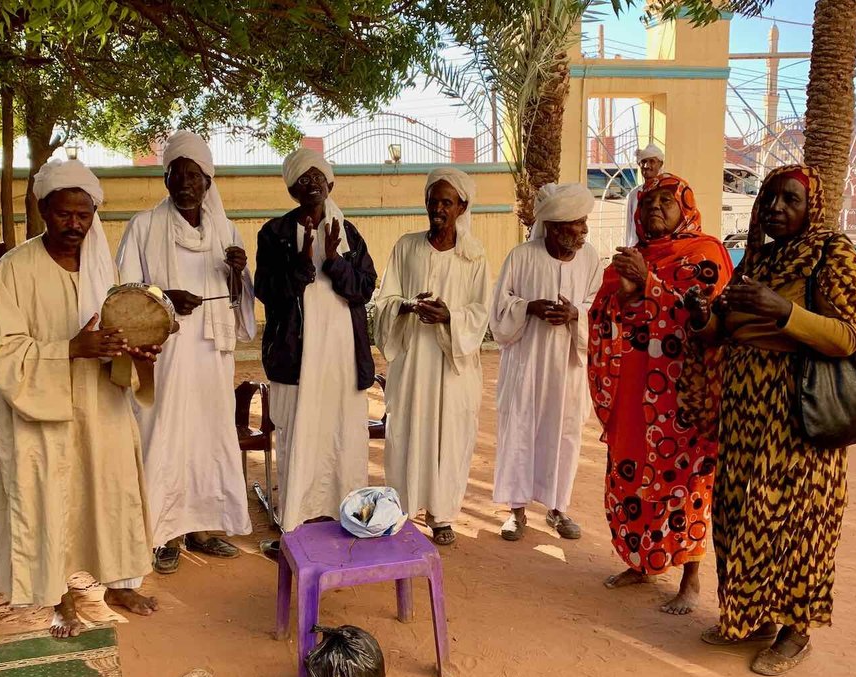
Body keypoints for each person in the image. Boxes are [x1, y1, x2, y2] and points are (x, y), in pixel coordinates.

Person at [689, 165, 856, 675]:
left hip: (800, 416)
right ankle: (754, 620)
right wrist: (704, 316)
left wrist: (783, 312)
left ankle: (796, 631)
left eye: (789, 199)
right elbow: (722, 331)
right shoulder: (759, 259)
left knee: (797, 522)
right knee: (742, 515)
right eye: (769, 198)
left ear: (813, 205)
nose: (776, 208)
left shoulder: (833, 253)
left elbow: (850, 336)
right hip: (746, 413)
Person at [0, 158, 159, 638]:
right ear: (43, 209)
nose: (74, 224)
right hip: (41, 413)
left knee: (110, 496)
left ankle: (118, 584)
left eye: (84, 215)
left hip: (102, 406)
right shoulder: (14, 270)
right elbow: (2, 352)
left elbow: (122, 333)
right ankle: (61, 601)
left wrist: (136, 350)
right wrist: (70, 348)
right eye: (64, 214)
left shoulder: (106, 270)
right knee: (52, 502)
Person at [588, 174, 732, 615]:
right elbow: (601, 315)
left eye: (666, 201)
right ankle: (640, 561)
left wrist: (648, 285)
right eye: (648, 202)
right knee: (629, 472)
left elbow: (707, 318)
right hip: (632, 390)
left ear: (686, 208)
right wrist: (627, 294)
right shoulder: (628, 260)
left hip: (682, 394)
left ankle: (690, 579)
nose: (654, 209)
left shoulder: (705, 255)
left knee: (685, 479)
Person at [117, 131, 256, 574]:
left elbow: (239, 301)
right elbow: (123, 294)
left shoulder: (224, 230)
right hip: (165, 354)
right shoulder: (144, 226)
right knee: (164, 436)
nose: (185, 183)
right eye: (176, 173)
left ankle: (202, 527)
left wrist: (237, 273)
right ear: (166, 178)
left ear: (208, 182)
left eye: (194, 175)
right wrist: (164, 297)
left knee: (208, 437)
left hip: (212, 354)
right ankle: (164, 534)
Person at [255, 148, 376, 531]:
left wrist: (333, 260)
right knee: (299, 438)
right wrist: (304, 263)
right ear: (292, 189)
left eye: (317, 178)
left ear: (330, 184)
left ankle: (348, 519)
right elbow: (267, 290)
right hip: (297, 359)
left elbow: (364, 289)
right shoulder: (274, 233)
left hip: (342, 358)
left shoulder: (349, 234)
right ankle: (297, 522)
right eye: (302, 180)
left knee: (343, 439)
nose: (311, 186)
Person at [373, 167, 491, 546]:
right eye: (432, 200)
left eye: (446, 202)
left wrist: (449, 316)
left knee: (449, 435)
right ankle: (402, 508)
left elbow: (480, 311)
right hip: (412, 361)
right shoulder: (406, 246)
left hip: (452, 365)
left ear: (462, 207)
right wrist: (406, 306)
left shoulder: (474, 256)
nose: (437, 208)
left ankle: (442, 515)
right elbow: (384, 301)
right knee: (406, 429)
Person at [491, 183, 604, 542]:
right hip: (526, 363)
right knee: (520, 430)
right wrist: (528, 307)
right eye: (577, 223)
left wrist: (576, 314)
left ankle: (558, 509)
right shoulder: (522, 256)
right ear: (554, 226)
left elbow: (598, 308)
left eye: (584, 222)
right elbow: (499, 307)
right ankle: (516, 511)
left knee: (564, 434)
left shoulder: (590, 259)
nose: (584, 230)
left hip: (568, 367)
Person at [624, 144, 665, 246]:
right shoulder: (634, 194)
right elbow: (630, 226)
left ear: (660, 164)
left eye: (652, 161)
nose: (647, 166)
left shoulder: (667, 190)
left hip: (661, 247)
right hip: (638, 248)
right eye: (643, 162)